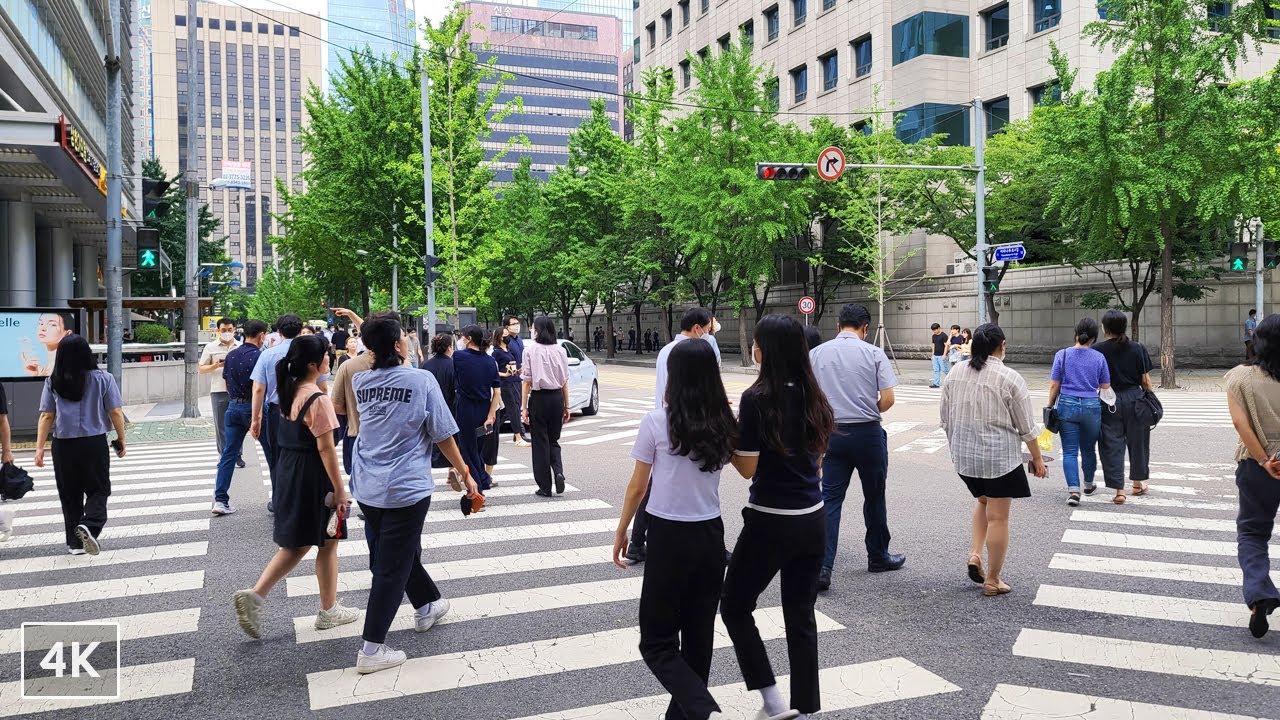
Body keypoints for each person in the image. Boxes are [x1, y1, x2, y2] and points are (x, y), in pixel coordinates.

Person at [613, 339, 738, 720]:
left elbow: (638, 487)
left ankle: (706, 711)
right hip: (710, 535)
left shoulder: (656, 422)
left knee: (656, 643)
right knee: (698, 641)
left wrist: (624, 531)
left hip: (668, 537)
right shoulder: (725, 423)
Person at [349, 315, 478, 673]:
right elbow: (442, 434)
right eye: (404, 337)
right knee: (390, 566)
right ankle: (371, 649)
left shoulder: (360, 381)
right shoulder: (421, 381)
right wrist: (465, 472)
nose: (407, 341)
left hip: (367, 486)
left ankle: (426, 606)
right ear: (397, 345)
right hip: (405, 488)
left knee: (395, 553)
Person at [721, 314, 834, 720]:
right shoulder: (814, 394)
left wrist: (728, 433)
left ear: (763, 350)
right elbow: (817, 459)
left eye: (755, 343)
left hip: (770, 519)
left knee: (734, 606)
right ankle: (804, 709)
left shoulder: (757, 398)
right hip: (812, 517)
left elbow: (748, 468)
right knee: (800, 616)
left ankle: (772, 701)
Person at [232, 334, 359, 639]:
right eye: (327, 356)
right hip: (313, 476)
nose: (330, 359)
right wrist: (340, 489)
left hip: (289, 472)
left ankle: (266, 596)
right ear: (315, 364)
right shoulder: (317, 399)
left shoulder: (288, 393)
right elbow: (327, 450)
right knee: (326, 541)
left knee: (303, 542)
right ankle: (324, 610)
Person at [940, 324, 1048, 597]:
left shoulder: (955, 373)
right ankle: (993, 579)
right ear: (1001, 345)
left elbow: (945, 419)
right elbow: (1026, 427)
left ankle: (975, 554)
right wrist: (1037, 459)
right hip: (998, 459)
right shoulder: (1009, 378)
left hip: (965, 459)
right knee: (998, 517)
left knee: (983, 501)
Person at [809, 304, 902, 594]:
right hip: (867, 433)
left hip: (832, 433)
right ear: (865, 328)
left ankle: (823, 567)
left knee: (830, 498)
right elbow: (887, 399)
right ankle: (877, 556)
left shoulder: (816, 354)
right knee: (874, 495)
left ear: (838, 326)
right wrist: (866, 409)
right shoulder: (874, 353)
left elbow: (809, 397)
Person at [627, 308, 721, 565]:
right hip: (684, 421)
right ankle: (637, 541)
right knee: (686, 483)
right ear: (697, 327)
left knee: (658, 483)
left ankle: (637, 542)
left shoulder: (666, 350)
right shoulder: (690, 353)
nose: (709, 334)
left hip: (666, 422)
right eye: (708, 329)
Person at [32, 335, 126, 556]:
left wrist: (39, 448)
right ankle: (89, 525)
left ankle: (75, 545)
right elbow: (115, 411)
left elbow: (46, 416)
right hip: (93, 444)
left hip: (63, 445)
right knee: (99, 489)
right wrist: (121, 438)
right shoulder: (104, 378)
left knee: (69, 493)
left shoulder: (53, 381)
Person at [1225, 313, 1280, 638]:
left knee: (1253, 533)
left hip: (1257, 465)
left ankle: (1260, 594)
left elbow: (1240, 425)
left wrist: (1264, 460)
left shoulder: (1240, 378)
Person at [251, 313, 328, 513]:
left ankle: (280, 501)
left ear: (278, 331)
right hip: (308, 409)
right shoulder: (311, 352)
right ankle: (305, 499)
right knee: (307, 454)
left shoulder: (268, 354)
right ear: (301, 329)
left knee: (278, 457)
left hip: (278, 412)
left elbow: (258, 389)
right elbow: (322, 386)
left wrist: (256, 418)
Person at [1048, 317, 1113, 507]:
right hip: (1091, 406)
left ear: (1075, 334)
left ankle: (1074, 491)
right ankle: (1089, 484)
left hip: (1067, 404)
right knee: (1088, 449)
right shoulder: (1099, 357)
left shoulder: (1063, 354)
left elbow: (1054, 384)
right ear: (1094, 337)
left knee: (1069, 451)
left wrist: (1050, 405)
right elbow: (1105, 386)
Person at [1095, 310, 1155, 499]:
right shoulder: (1137, 348)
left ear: (1105, 329)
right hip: (1135, 399)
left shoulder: (1097, 350)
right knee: (1138, 442)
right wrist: (1150, 398)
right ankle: (1137, 484)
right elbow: (1145, 380)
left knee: (1111, 443)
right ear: (1124, 327)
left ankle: (1119, 490)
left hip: (1108, 399)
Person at [213, 320, 269, 516]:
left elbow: (227, 383)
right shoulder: (261, 356)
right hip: (253, 408)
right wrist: (257, 416)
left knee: (228, 454)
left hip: (233, 406)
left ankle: (220, 500)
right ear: (261, 336)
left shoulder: (231, 355)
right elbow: (260, 388)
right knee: (272, 453)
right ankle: (279, 499)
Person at [522, 316, 571, 498]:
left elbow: (526, 382)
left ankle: (544, 485)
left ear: (538, 330)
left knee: (540, 442)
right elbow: (565, 381)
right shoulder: (560, 350)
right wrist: (567, 406)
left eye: (533, 327)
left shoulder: (530, 351)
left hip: (539, 398)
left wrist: (524, 407)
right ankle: (558, 471)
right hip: (557, 397)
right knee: (553, 440)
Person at [453, 325, 501, 493]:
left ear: (469, 339)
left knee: (467, 448)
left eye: (463, 336)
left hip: (466, 407)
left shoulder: (458, 356)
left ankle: (478, 487)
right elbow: (497, 391)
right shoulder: (490, 361)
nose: (461, 339)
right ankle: (483, 479)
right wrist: (491, 415)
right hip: (485, 408)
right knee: (478, 448)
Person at [200, 317, 243, 469]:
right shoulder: (210, 347)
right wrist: (215, 366)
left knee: (238, 424)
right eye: (223, 330)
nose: (227, 333)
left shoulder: (240, 346)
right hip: (218, 390)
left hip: (238, 391)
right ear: (218, 330)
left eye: (230, 330)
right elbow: (201, 368)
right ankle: (225, 455)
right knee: (221, 425)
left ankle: (238, 455)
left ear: (234, 330)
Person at [492, 329, 530, 448]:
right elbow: (493, 370)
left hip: (514, 381)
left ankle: (490, 431)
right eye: (505, 335)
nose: (507, 337)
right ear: (499, 337)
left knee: (507, 411)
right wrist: (504, 374)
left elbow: (512, 366)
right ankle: (518, 437)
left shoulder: (508, 350)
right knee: (513, 409)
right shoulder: (496, 353)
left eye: (507, 335)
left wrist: (518, 371)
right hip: (504, 384)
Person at [21, 311, 72, 376]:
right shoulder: (42, 367)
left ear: (67, 333)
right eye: (41, 323)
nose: (43, 328)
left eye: (52, 324)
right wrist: (34, 375)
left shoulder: (68, 366)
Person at [929, 323, 948, 388]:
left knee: (945, 370)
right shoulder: (933, 336)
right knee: (936, 370)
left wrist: (944, 355)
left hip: (942, 355)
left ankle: (950, 383)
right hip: (935, 356)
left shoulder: (944, 335)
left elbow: (946, 346)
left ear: (939, 328)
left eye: (935, 330)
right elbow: (933, 346)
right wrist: (932, 355)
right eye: (933, 330)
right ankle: (936, 384)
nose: (934, 331)